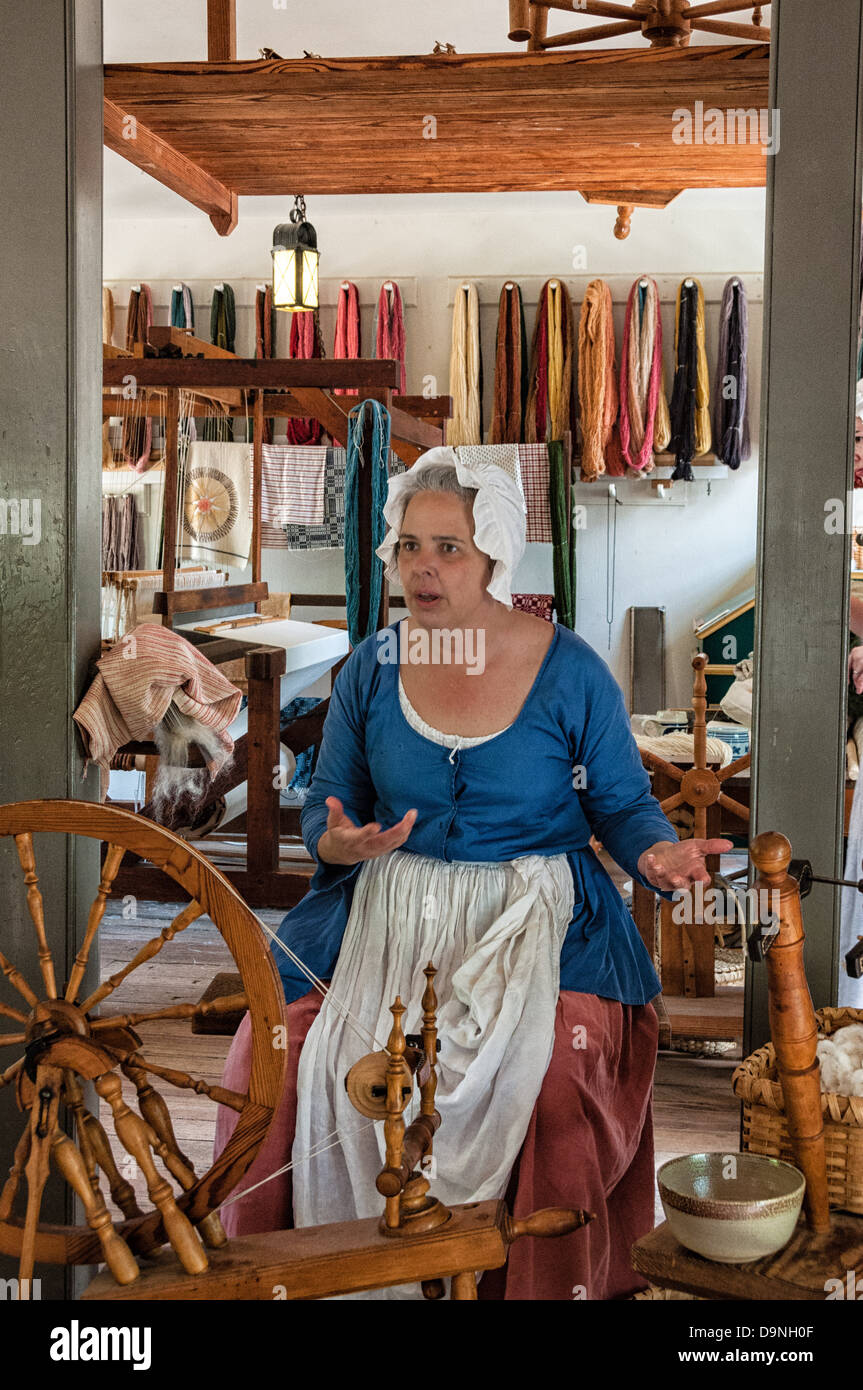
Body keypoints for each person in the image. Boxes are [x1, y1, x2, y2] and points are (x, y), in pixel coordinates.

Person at [214, 447, 730, 1300]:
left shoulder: (569, 669)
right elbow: (330, 802)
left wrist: (652, 855)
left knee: (557, 1077)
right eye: (408, 545)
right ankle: (298, 1277)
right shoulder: (372, 668)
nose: (421, 566)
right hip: (384, 914)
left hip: (537, 917)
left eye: (447, 547)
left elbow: (621, 805)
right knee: (277, 1051)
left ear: (493, 553)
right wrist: (335, 843)